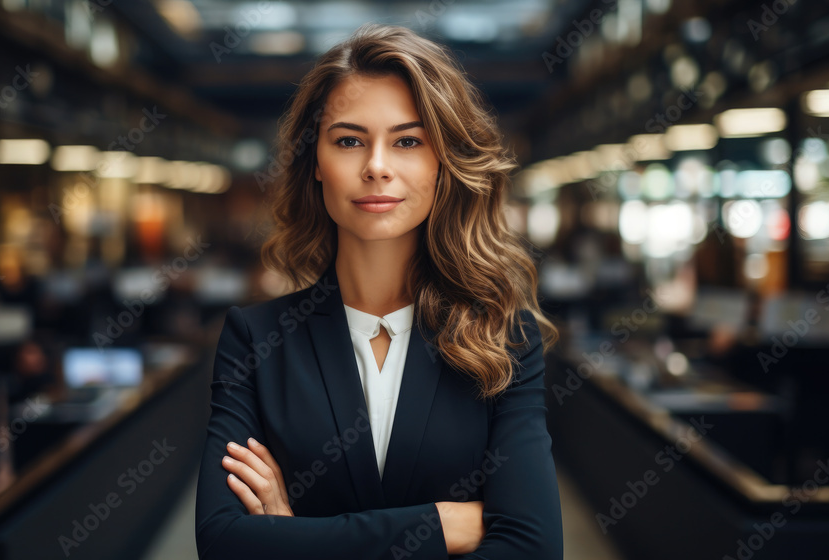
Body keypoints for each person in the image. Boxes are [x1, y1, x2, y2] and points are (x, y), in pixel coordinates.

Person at [195, 23, 563, 559]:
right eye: (348, 141)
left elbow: (532, 548)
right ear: (315, 163)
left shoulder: (504, 338)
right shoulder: (255, 340)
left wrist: (291, 536)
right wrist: (445, 524)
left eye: (408, 141)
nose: (376, 167)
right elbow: (224, 542)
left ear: (443, 163)